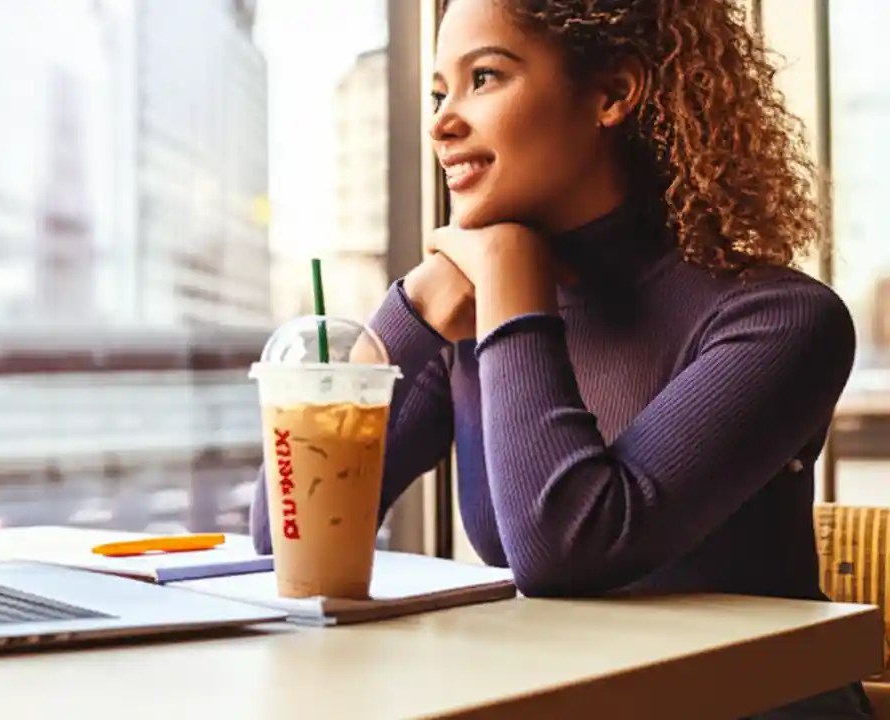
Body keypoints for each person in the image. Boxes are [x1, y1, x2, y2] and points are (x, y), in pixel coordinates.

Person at [249, 0, 872, 716]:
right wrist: (413, 308)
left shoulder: (781, 319)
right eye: (438, 91)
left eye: (484, 77)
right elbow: (288, 538)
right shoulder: (463, 313)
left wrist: (511, 282)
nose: (442, 121)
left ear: (611, 95)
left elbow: (570, 548)